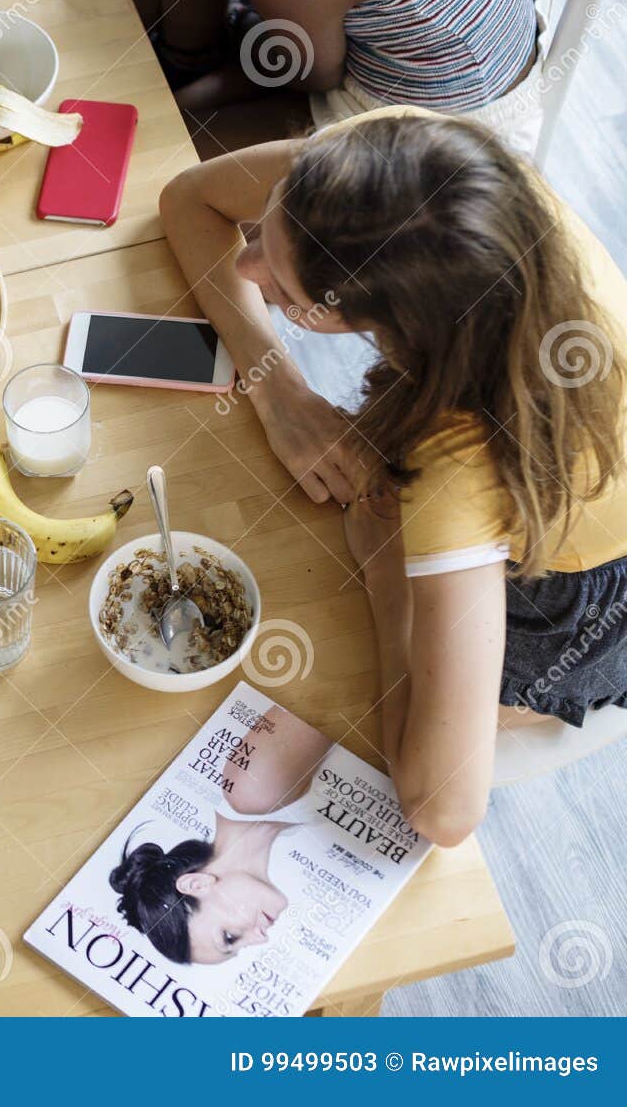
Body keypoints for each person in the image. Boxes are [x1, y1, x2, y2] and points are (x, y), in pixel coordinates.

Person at [160, 106, 627, 846]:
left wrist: (387, 568)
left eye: (279, 287)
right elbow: (190, 198)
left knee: (384, 693)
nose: (246, 268)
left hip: (582, 579)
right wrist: (279, 387)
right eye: (265, 232)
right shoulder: (396, 163)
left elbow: (441, 809)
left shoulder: (458, 462)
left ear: (395, 322)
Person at [131, 0, 543, 155]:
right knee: (146, 122)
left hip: (442, 133)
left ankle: (194, 59)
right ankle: (187, 58)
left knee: (150, 156)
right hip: (391, 45)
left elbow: (311, 77)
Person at [109, 705, 331, 965]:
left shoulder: (253, 789)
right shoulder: (282, 824)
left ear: (196, 885)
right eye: (239, 947)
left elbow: (337, 690)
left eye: (229, 937)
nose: (261, 939)